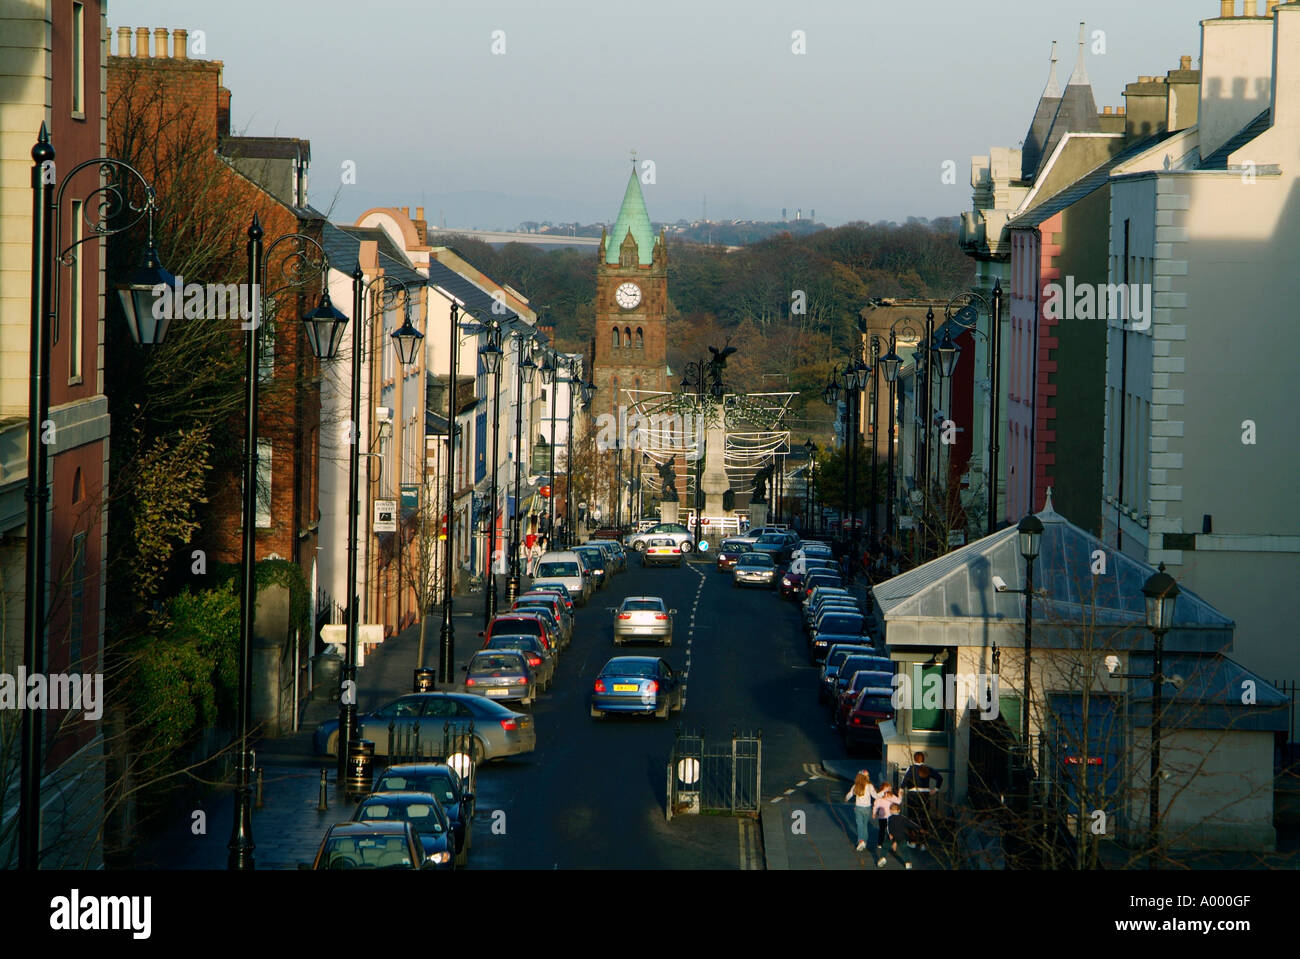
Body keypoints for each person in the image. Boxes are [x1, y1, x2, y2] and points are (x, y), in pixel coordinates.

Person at [900, 751, 943, 851]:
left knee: (912, 818)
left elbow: (904, 781)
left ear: (914, 758)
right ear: (923, 759)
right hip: (925, 795)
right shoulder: (928, 769)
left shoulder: (911, 769)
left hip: (913, 795)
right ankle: (924, 843)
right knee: (924, 819)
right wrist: (936, 789)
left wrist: (901, 790)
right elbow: (940, 778)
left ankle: (913, 841)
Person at [872, 782, 913, 869]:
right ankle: (907, 861)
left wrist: (899, 795)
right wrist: (874, 812)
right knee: (882, 830)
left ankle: (884, 856)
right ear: (883, 788)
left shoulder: (891, 796)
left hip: (890, 817)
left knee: (888, 835)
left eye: (889, 787)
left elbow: (898, 801)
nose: (889, 788)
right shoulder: (880, 796)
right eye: (887, 787)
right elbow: (876, 801)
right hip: (883, 817)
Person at [844, 770, 880, 852]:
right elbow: (875, 796)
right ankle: (864, 842)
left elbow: (850, 794)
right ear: (866, 777)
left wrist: (846, 799)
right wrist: (882, 795)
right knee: (865, 825)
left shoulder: (856, 786)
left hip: (858, 808)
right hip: (867, 808)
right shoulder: (870, 786)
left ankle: (861, 841)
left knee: (859, 824)